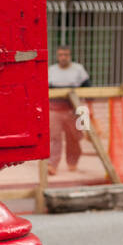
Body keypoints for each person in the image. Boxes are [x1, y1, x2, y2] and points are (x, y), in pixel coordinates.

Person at [47, 45, 90, 173]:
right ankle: (52, 165)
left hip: (73, 110)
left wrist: (88, 108)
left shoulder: (78, 70)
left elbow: (88, 88)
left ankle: (73, 162)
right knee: (55, 138)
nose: (63, 57)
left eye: (66, 55)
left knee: (74, 137)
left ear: (70, 56)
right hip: (55, 109)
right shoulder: (51, 71)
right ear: (57, 56)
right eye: (60, 55)